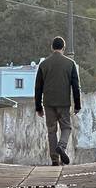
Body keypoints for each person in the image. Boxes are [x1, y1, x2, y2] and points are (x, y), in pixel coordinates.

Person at [34, 36, 81, 166]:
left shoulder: (43, 64)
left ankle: (55, 160)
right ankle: (62, 146)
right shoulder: (70, 64)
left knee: (51, 130)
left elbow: (38, 87)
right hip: (64, 103)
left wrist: (38, 106)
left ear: (52, 47)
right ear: (63, 48)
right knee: (66, 127)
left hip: (48, 103)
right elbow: (75, 86)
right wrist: (77, 104)